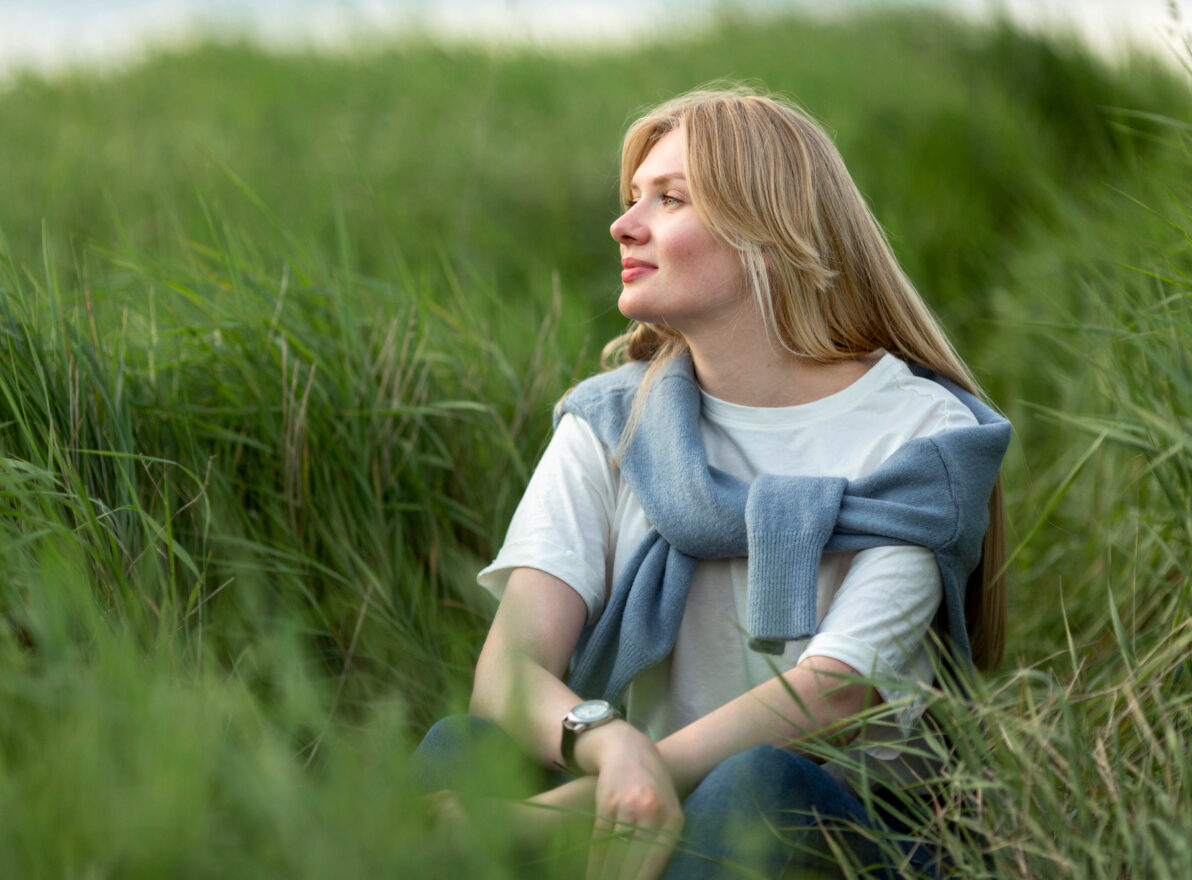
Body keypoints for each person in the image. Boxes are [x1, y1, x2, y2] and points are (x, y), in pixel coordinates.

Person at [413, 86, 1010, 879]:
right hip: (637, 816)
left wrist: (566, 809)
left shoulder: (924, 434)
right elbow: (508, 672)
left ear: (767, 231)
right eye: (633, 199)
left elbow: (833, 694)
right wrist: (612, 746)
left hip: (845, 829)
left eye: (670, 200)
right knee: (464, 746)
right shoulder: (612, 423)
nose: (625, 225)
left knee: (752, 788)